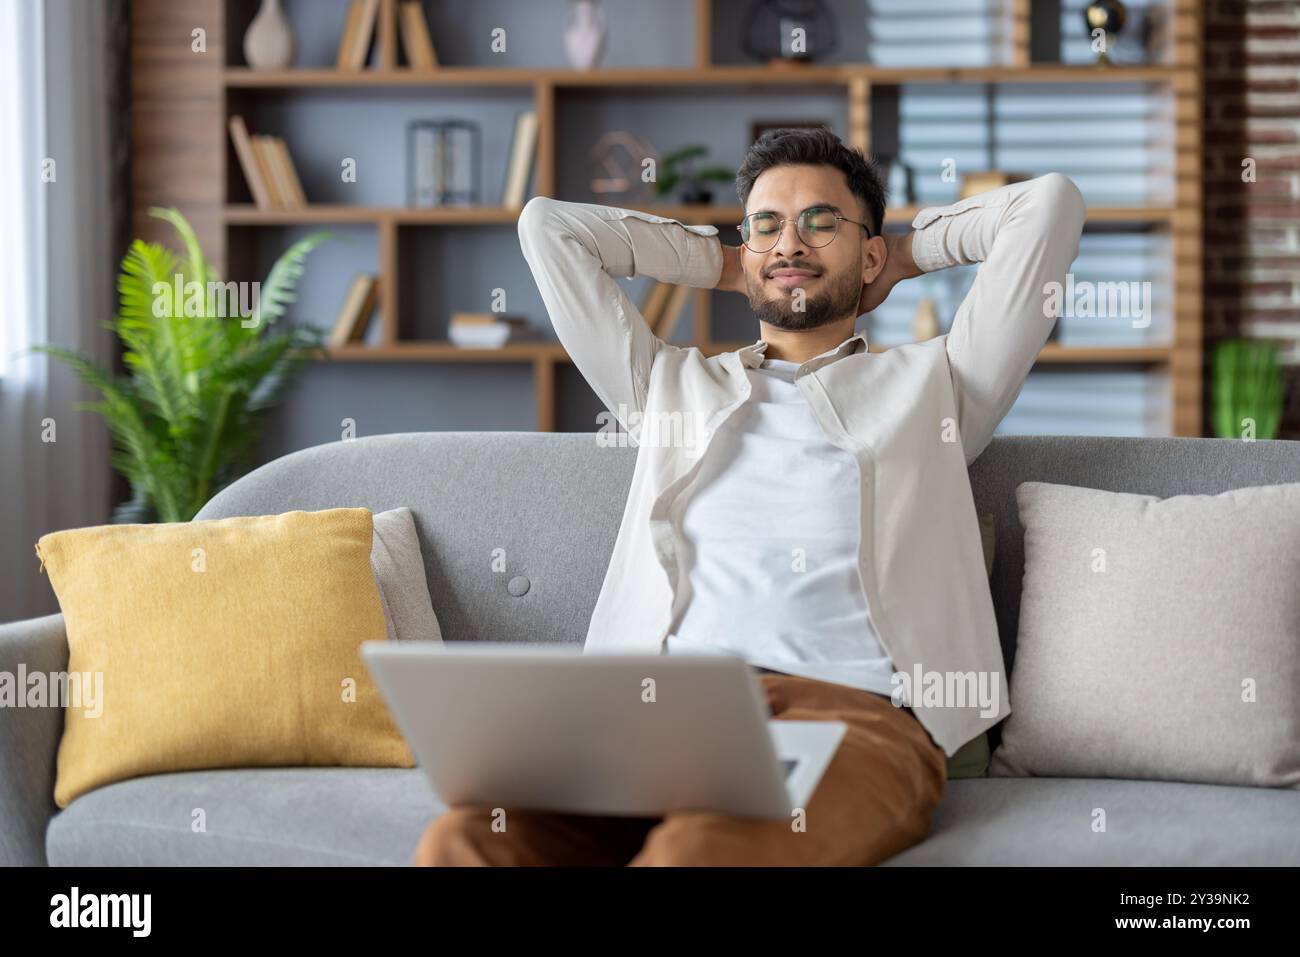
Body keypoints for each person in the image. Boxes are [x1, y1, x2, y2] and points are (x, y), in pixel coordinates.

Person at [414, 126, 1086, 866]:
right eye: (767, 224)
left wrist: (903, 253)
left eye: (821, 222)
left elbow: (1047, 208)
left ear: (866, 252)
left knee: (699, 854)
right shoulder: (669, 387)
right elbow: (548, 226)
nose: (790, 243)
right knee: (467, 840)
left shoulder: (938, 388)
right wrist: (721, 261)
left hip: (852, 718)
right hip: (660, 711)